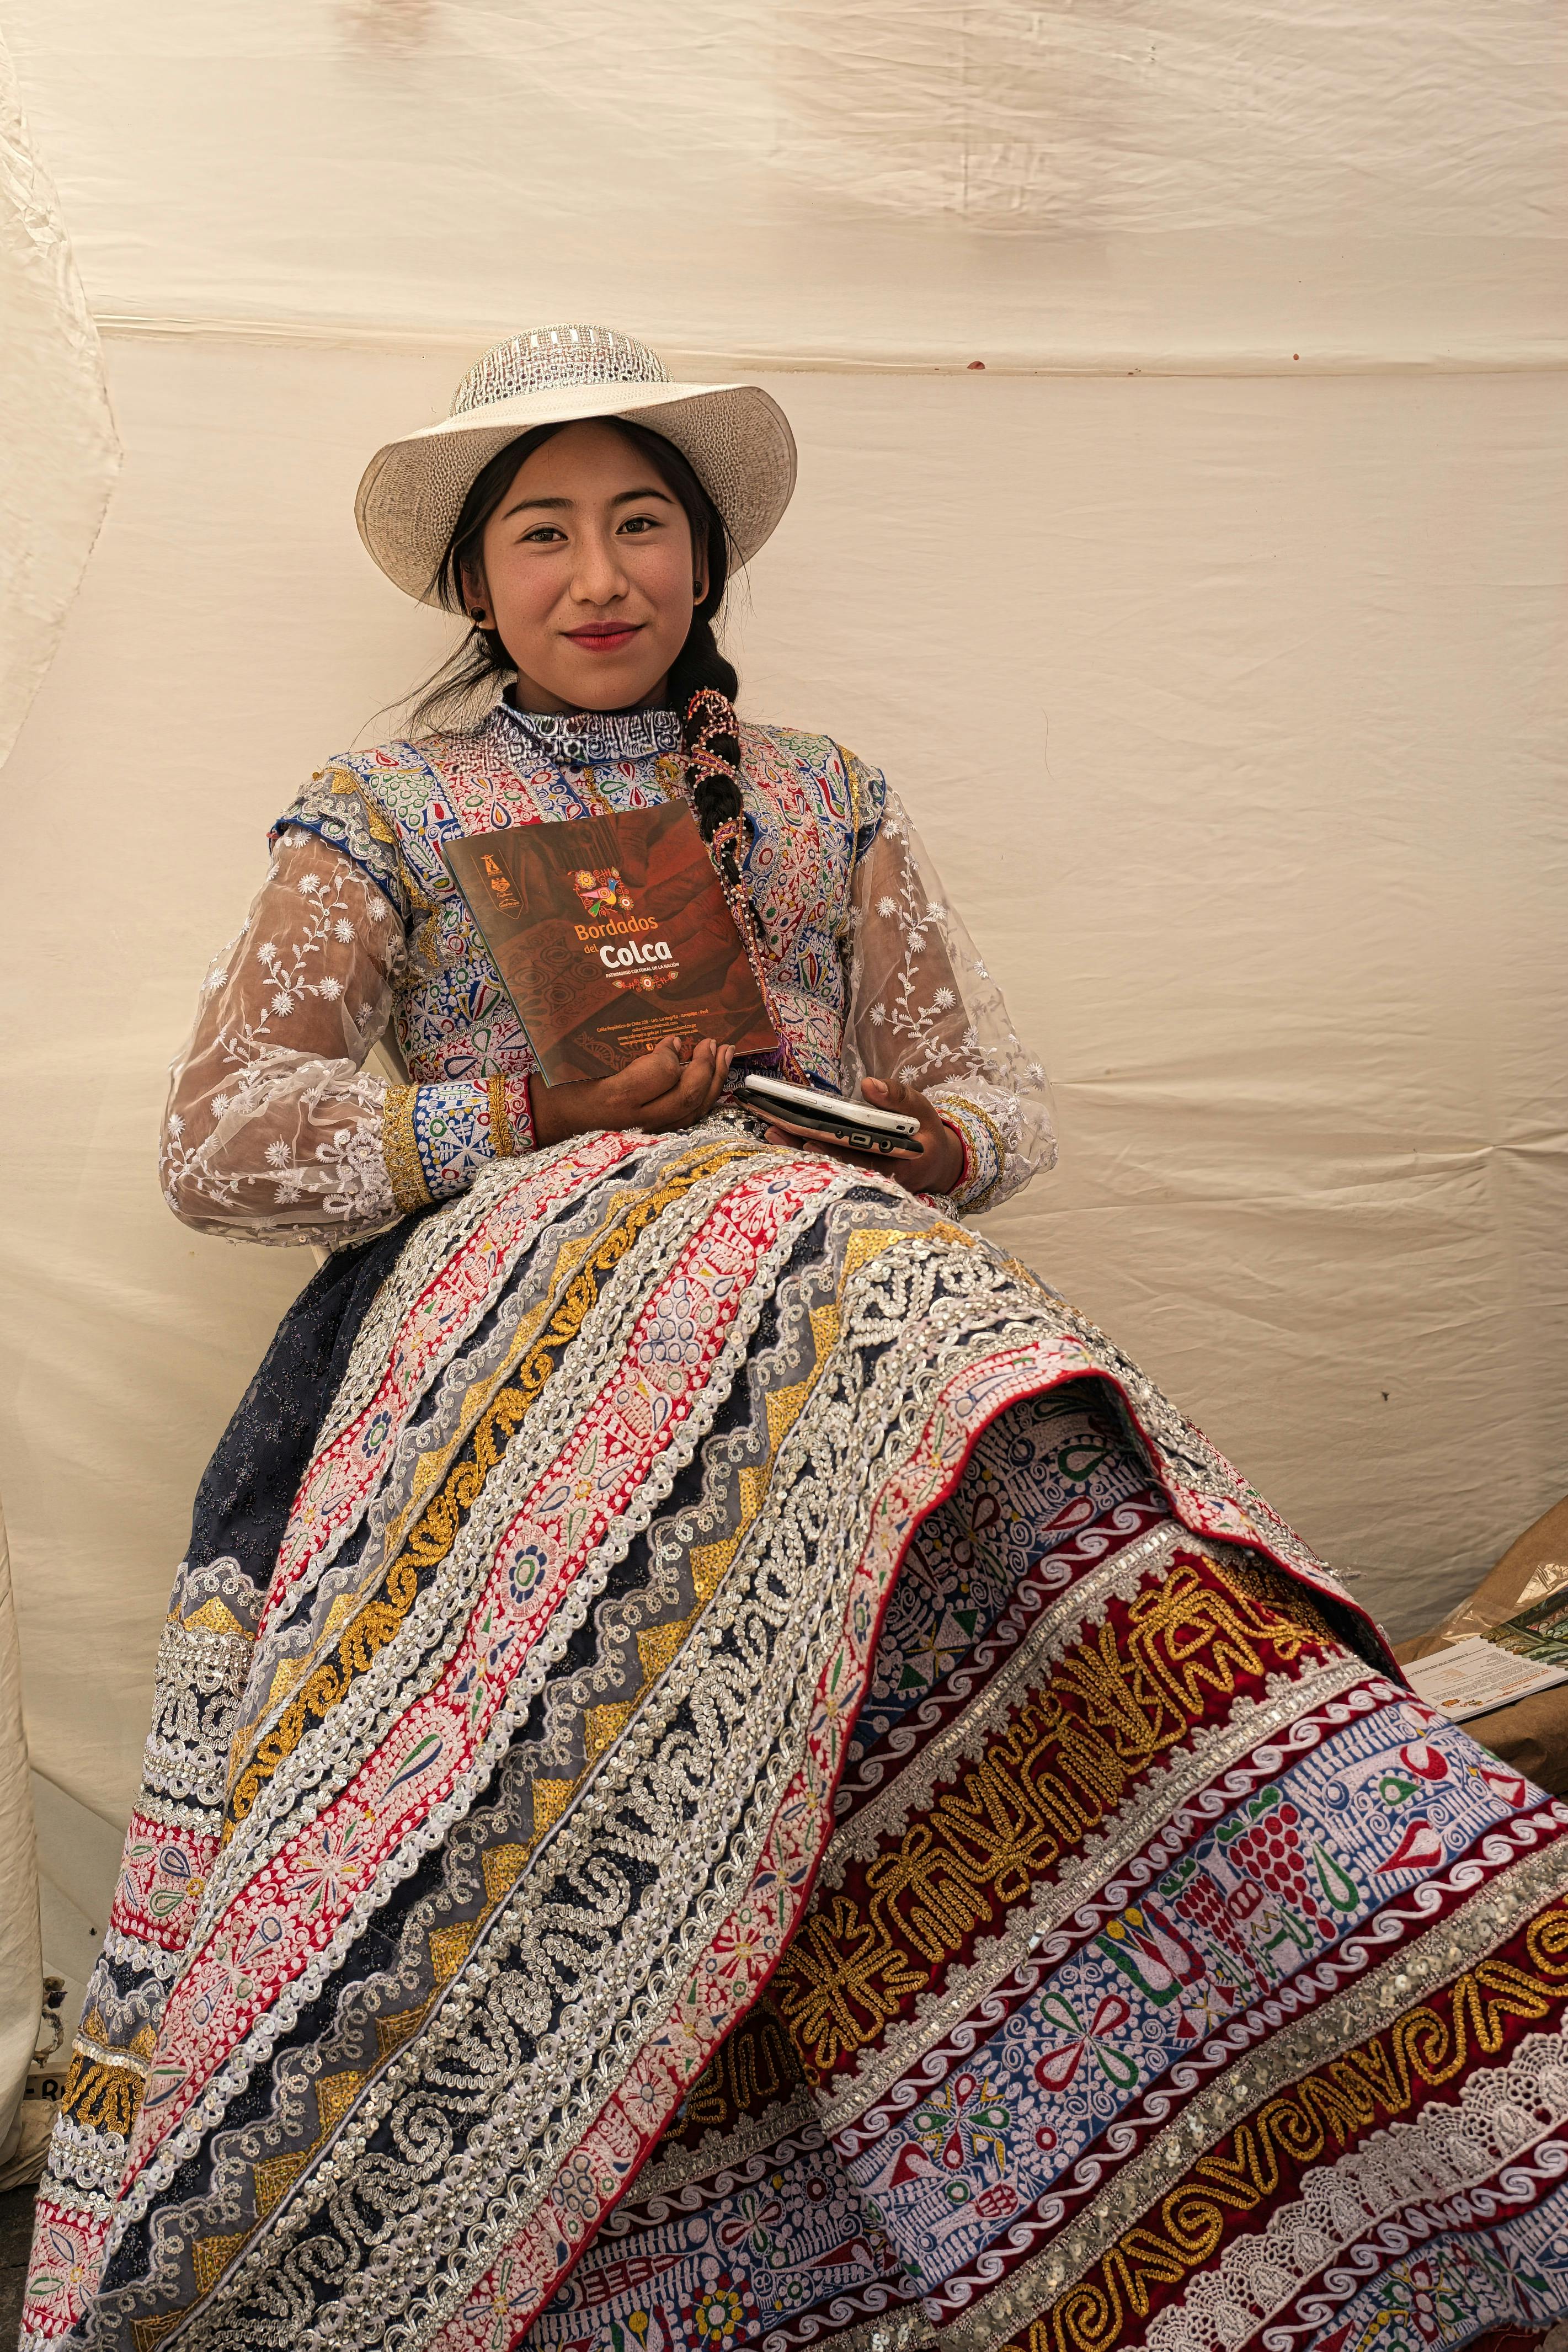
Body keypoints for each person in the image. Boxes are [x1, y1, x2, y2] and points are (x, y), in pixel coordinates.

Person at [24, 326, 1568, 2352]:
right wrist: (532, 1110)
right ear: (473, 583)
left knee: (1026, 1482)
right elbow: (221, 1147)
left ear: (702, 560)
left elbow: (996, 1100)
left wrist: (911, 1132)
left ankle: (1352, 2022)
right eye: (546, 533)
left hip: (834, 1300)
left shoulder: (827, 798)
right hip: (527, 1341)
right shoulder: (388, 807)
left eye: (640, 523)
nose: (600, 576)